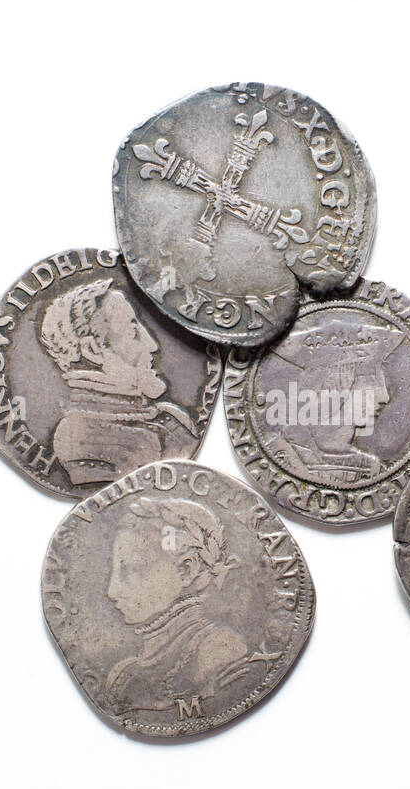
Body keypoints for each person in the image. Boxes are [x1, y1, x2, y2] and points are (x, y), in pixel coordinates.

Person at [103, 497, 251, 714]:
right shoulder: (123, 671)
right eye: (115, 571)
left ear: (186, 571)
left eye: (132, 570)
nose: (112, 591)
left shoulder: (220, 650)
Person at [38, 278, 194, 485]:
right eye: (133, 331)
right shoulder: (81, 441)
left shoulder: (170, 417)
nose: (152, 346)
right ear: (93, 350)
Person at [265, 319, 403, 485]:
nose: (385, 397)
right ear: (337, 388)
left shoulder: (370, 467)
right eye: (373, 384)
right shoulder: (284, 454)